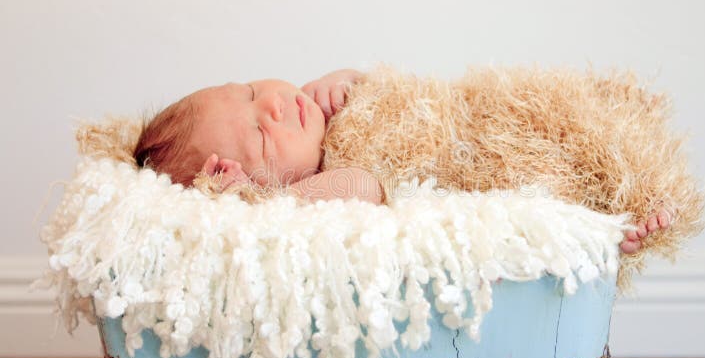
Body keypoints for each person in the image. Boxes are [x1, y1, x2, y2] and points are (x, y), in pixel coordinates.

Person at [133, 68, 669, 254]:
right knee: (546, 195)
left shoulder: (319, 105)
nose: (272, 103)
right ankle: (613, 224)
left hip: (475, 118)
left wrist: (342, 80)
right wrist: (253, 207)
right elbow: (364, 186)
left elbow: (382, 85)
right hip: (487, 175)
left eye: (248, 89)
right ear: (267, 187)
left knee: (546, 114)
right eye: (259, 134)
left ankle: (613, 106)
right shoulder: (325, 183)